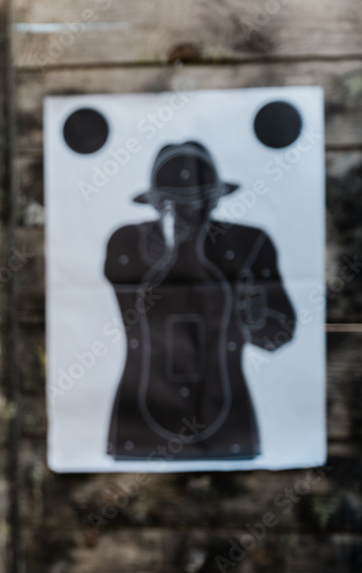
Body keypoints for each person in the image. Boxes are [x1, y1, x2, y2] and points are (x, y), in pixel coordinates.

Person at [104, 141, 295, 461]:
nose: (187, 213)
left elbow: (279, 335)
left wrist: (257, 320)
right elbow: (128, 297)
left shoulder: (249, 244)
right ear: (157, 204)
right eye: (173, 204)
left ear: (214, 200)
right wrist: (166, 254)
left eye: (197, 202)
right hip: (143, 417)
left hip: (227, 419)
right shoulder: (128, 243)